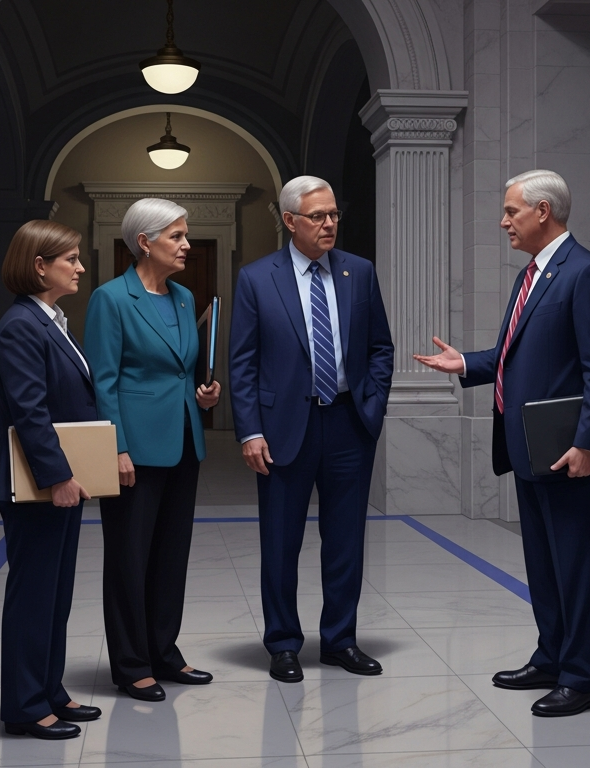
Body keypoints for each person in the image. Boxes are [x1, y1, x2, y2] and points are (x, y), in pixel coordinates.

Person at [414, 169, 590, 717]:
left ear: (543, 212)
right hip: (530, 447)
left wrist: (588, 443)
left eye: (511, 211)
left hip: (569, 451)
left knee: (575, 564)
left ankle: (582, 677)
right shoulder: (532, 275)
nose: (504, 221)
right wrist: (468, 363)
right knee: (543, 561)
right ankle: (551, 657)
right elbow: (517, 353)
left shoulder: (586, 274)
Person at [229, 175, 394, 683]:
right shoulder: (257, 278)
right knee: (281, 541)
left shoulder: (359, 273)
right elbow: (243, 363)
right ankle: (282, 643)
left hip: (348, 422)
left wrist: (373, 402)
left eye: (334, 214)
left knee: (345, 539)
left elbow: (381, 348)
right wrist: (249, 431)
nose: (329, 224)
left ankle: (340, 639)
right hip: (282, 428)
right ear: (290, 221)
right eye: (318, 216)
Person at [84, 198, 222, 702]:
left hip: (185, 441)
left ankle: (165, 652)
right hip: (134, 451)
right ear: (145, 242)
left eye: (186, 235)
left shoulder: (184, 297)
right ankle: (131, 663)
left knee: (171, 556)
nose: (187, 245)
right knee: (128, 557)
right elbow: (104, 382)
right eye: (177, 236)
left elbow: (183, 371)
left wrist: (205, 395)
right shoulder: (111, 299)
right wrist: (115, 448)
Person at [0, 219, 102, 739]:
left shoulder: (50, 319)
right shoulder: (20, 327)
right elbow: (29, 413)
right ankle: (26, 706)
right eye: (70, 259)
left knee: (56, 592)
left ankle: (49, 691)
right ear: (39, 266)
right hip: (35, 483)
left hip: (57, 479)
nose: (79, 267)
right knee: (34, 594)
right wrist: (58, 477)